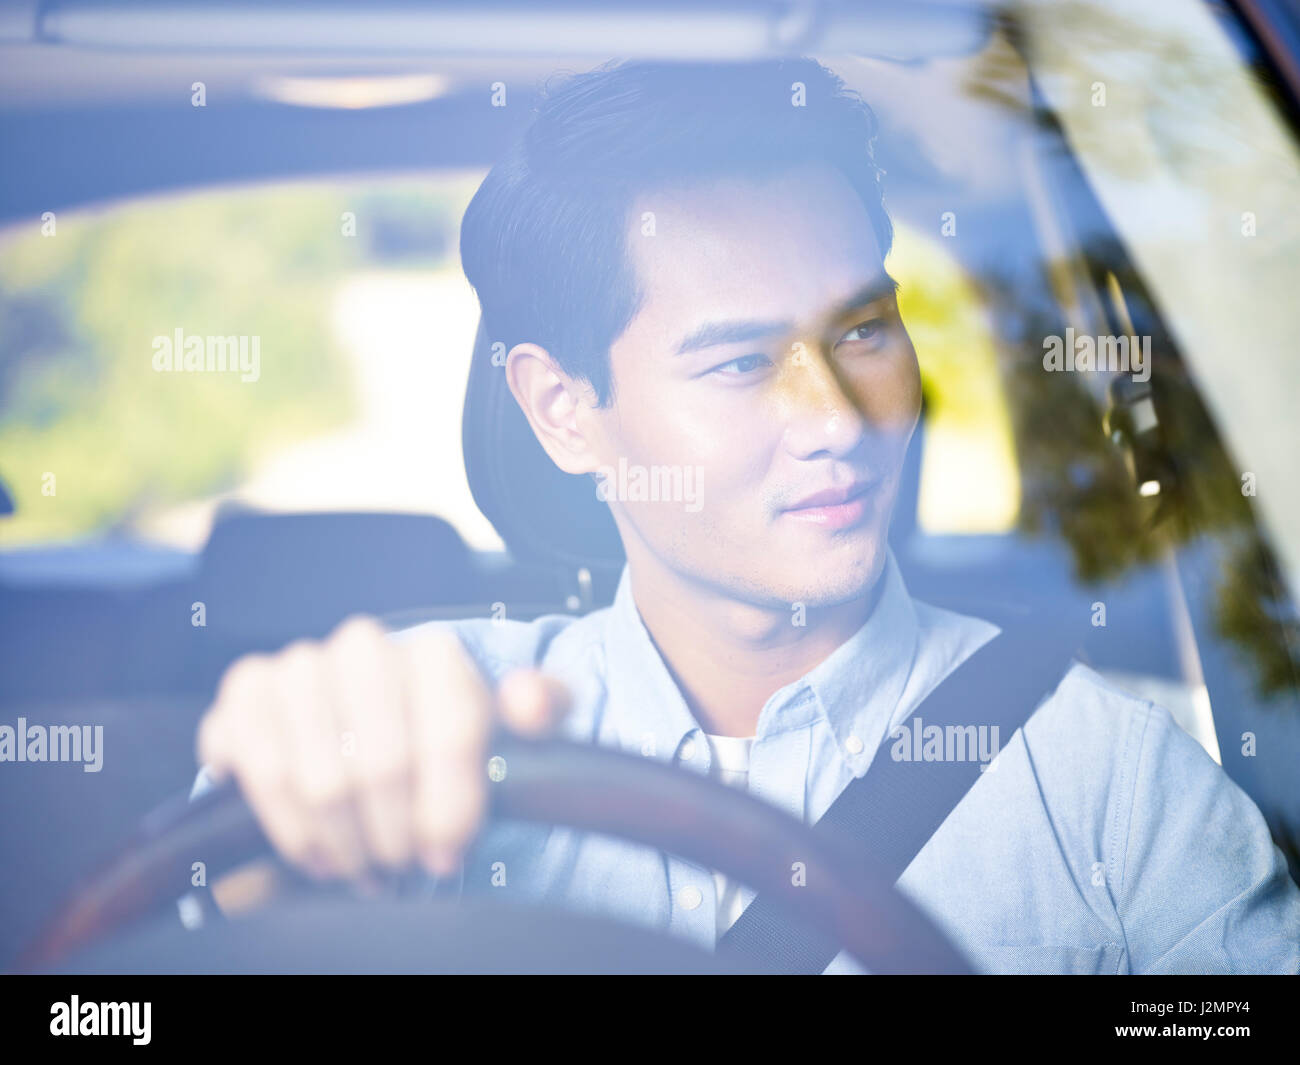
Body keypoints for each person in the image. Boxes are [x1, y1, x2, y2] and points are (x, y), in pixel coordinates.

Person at [190, 58, 1300, 973]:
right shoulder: (414, 738)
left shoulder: (1109, 777)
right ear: (563, 412)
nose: (837, 418)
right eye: (737, 361)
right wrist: (271, 873)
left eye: (863, 332)